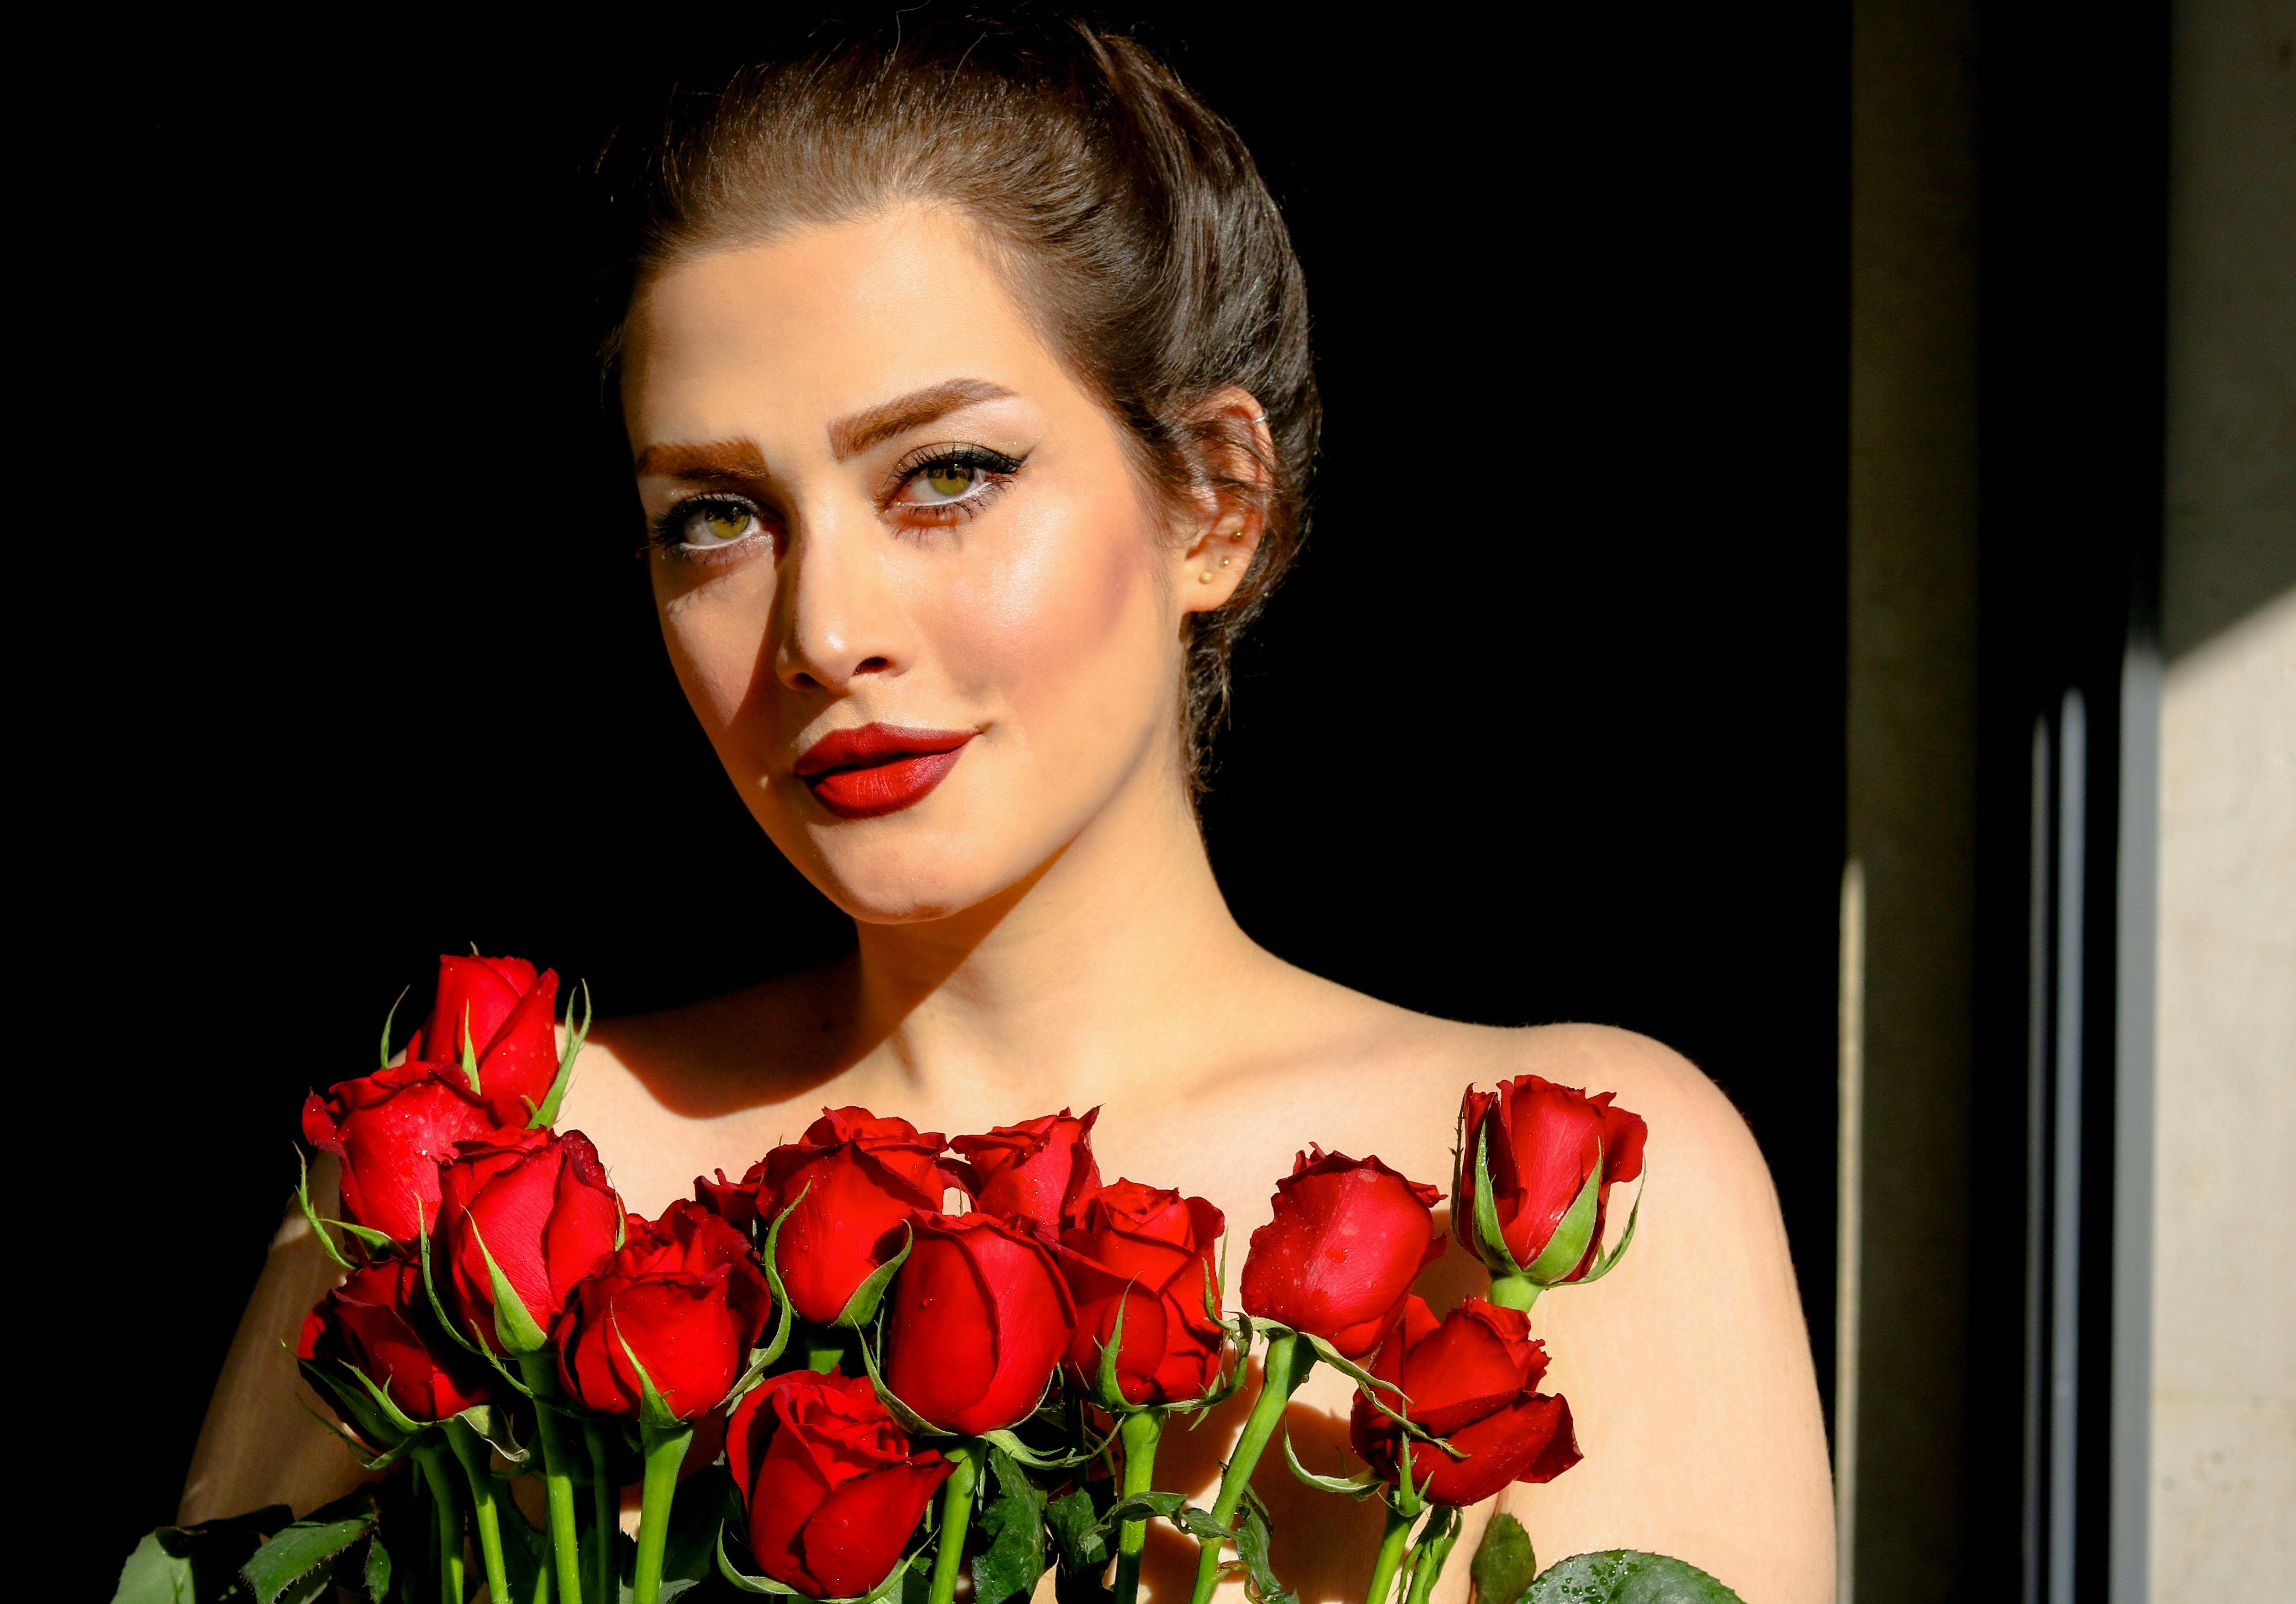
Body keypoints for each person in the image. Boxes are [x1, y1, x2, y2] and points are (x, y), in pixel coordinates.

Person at [183, 16, 1834, 1600]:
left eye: (946, 475)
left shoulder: (1579, 1186)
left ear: (1215, 503)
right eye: (716, 515)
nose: (825, 630)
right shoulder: (479, 1187)